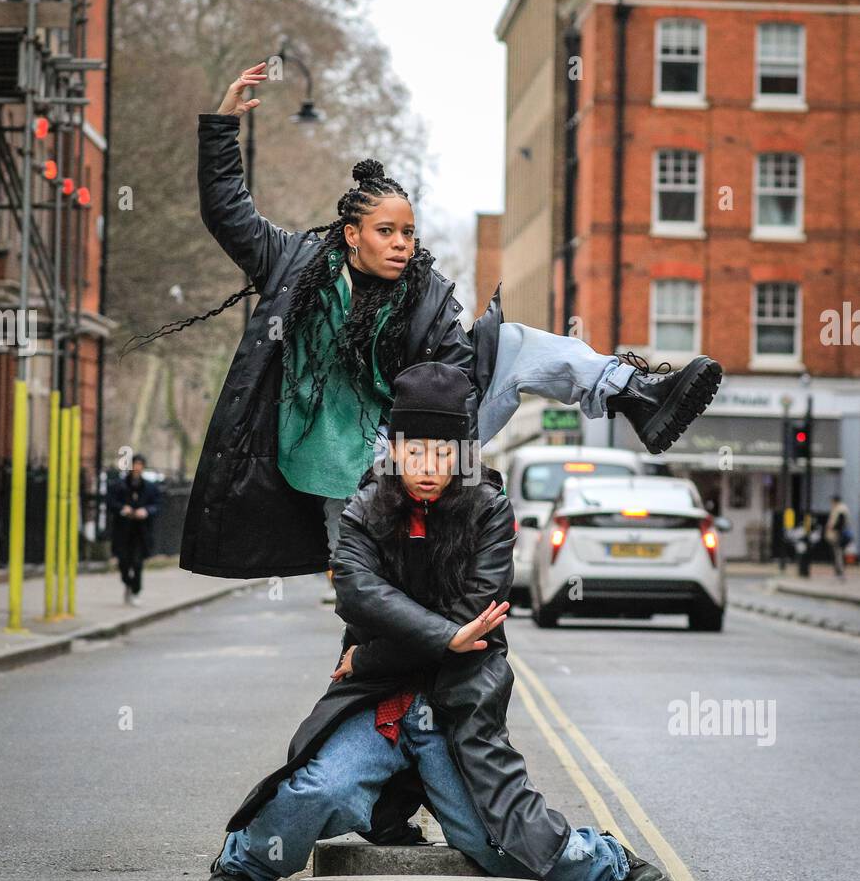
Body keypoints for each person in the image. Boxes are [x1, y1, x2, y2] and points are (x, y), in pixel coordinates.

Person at [121, 60, 723, 582]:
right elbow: (227, 209)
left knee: (511, 343)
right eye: (387, 232)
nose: (402, 243)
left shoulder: (427, 296)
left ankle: (637, 393)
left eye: (409, 231)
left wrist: (433, 452)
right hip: (336, 463)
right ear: (352, 235)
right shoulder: (293, 265)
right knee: (366, 582)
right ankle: (367, 669)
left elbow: (454, 380)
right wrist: (222, 126)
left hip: (422, 440)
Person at [205, 362, 669, 881]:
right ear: (395, 449)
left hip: (458, 698)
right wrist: (440, 640)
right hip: (379, 703)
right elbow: (359, 594)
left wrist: (371, 657)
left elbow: (474, 612)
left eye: (444, 451)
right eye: (416, 450)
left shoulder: (491, 510)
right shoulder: (363, 509)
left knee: (494, 843)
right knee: (321, 789)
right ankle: (242, 861)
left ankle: (606, 861)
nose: (429, 465)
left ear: (464, 454)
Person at [108, 454, 160, 605]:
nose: (137, 468)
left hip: (140, 532)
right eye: (135, 464)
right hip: (123, 531)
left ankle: (135, 590)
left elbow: (157, 505)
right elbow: (111, 502)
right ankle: (128, 583)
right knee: (123, 562)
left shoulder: (150, 487)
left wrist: (146, 511)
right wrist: (123, 509)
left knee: (137, 563)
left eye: (140, 465)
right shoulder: (119, 485)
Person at [824, 494, 852, 578]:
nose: (831, 503)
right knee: (838, 553)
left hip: (839, 535)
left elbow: (840, 522)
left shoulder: (840, 509)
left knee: (839, 553)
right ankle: (838, 572)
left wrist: (833, 529)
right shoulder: (839, 508)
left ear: (835, 501)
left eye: (832, 501)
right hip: (838, 534)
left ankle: (840, 572)